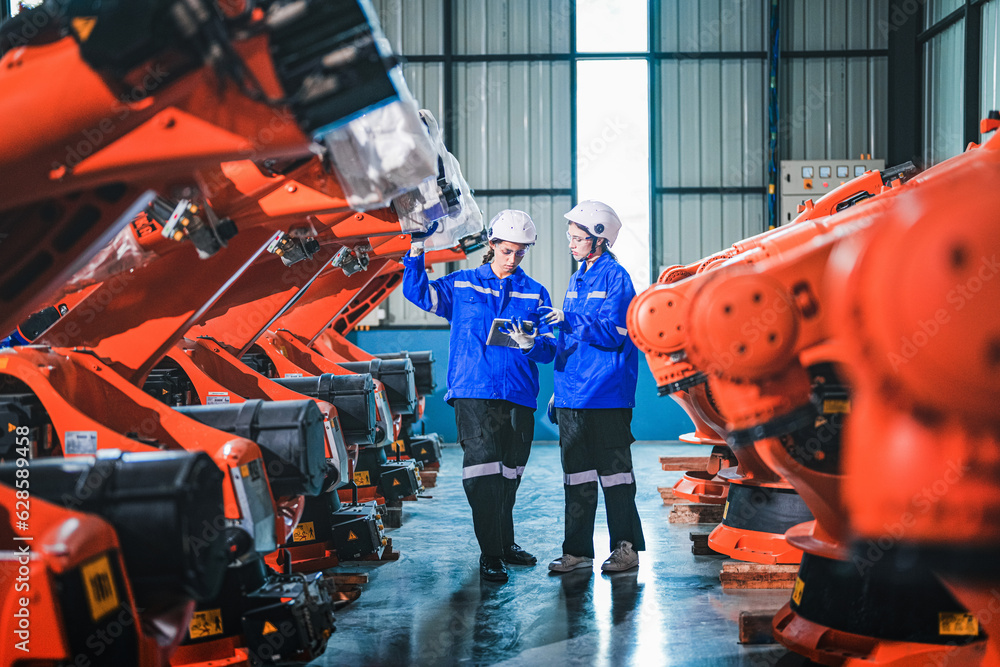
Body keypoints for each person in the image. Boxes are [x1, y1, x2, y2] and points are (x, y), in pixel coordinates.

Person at [402, 209, 556, 583]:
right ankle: (490, 554)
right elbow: (417, 292)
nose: (513, 258)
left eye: (521, 252)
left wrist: (531, 344)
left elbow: (550, 350)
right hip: (474, 392)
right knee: (483, 471)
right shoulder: (464, 285)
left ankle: (504, 544)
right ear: (491, 245)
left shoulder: (535, 292)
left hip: (519, 394)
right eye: (507, 251)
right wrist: (417, 246)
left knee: (509, 474)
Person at [541, 200, 645, 574]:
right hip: (573, 395)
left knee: (616, 477)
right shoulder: (577, 279)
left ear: (598, 241)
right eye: (570, 237)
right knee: (577, 479)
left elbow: (615, 334)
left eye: (577, 238)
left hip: (605, 396)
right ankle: (578, 551)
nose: (570, 243)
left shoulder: (616, 278)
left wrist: (569, 317)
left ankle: (626, 548)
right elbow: (572, 342)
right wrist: (560, 387)